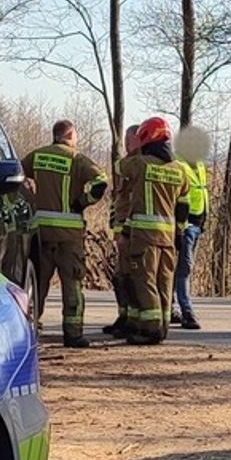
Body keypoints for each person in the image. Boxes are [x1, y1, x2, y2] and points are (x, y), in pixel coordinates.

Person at [23, 120, 109, 348]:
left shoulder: (37, 156)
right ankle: (73, 334)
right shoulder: (76, 159)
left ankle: (30, 328)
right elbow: (101, 181)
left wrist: (29, 200)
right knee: (72, 285)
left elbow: (16, 175)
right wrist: (83, 202)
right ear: (70, 135)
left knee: (37, 285)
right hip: (69, 237)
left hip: (41, 234)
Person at [115, 116, 191, 344]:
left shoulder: (141, 163)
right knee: (164, 282)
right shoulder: (180, 170)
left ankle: (150, 330)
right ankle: (163, 327)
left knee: (144, 280)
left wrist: (135, 150)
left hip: (144, 236)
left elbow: (120, 167)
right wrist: (179, 230)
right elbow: (184, 203)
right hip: (168, 236)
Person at [171, 124, 212, 330]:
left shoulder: (200, 164)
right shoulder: (178, 164)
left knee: (183, 268)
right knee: (184, 268)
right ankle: (186, 311)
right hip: (184, 224)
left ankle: (172, 306)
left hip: (197, 223)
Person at [105, 124, 140, 337]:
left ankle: (132, 319)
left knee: (130, 276)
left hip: (132, 231)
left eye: (131, 140)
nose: (127, 144)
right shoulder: (127, 165)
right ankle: (123, 315)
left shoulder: (137, 164)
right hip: (121, 229)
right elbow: (117, 199)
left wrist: (125, 230)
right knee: (120, 276)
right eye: (125, 140)